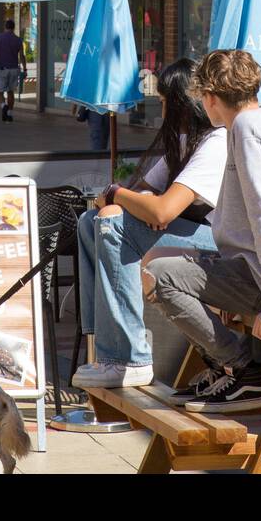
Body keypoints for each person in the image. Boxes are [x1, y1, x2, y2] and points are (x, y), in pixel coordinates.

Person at [145, 49, 261, 414]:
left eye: (202, 99)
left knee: (158, 276)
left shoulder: (248, 131)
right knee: (158, 259)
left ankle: (244, 370)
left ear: (211, 98)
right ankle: (224, 366)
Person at [72, 59, 227, 390]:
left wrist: (121, 197)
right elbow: (146, 192)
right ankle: (103, 345)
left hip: (224, 249)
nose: (162, 107)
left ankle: (130, 357)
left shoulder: (216, 143)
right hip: (192, 237)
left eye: (165, 99)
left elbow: (160, 212)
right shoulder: (186, 141)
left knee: (112, 221)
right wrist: (136, 202)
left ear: (183, 101)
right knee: (90, 221)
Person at [0, 19, 25, 122]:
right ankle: (9, 114)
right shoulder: (18, 40)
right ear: (13, 28)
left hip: (2, 69)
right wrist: (25, 68)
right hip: (14, 69)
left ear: (5, 27)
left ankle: (3, 105)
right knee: (11, 92)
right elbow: (22, 56)